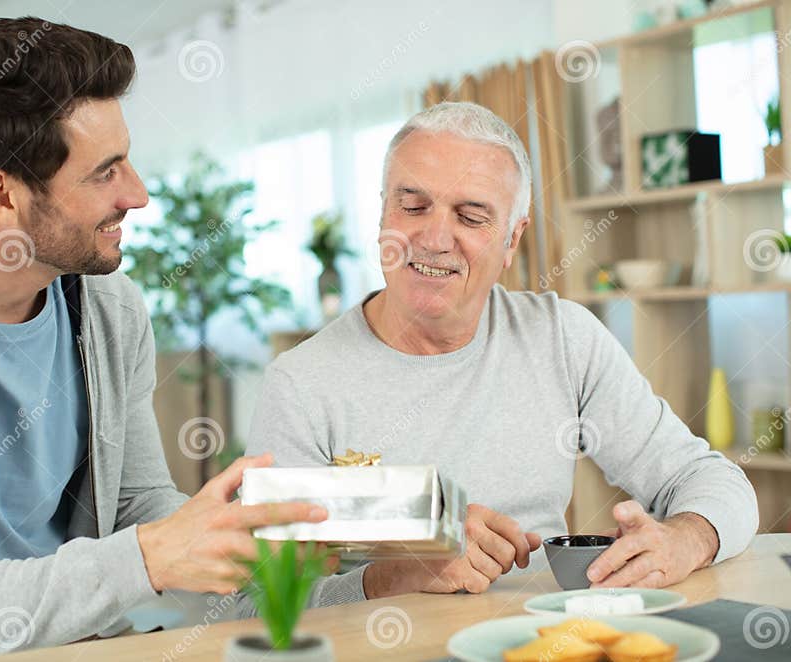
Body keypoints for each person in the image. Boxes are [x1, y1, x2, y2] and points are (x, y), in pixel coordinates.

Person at [0, 17, 326, 661]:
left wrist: (337, 567)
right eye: (105, 172)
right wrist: (148, 558)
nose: (138, 194)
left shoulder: (108, 308)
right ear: (0, 194)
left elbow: (138, 509)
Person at [241, 101, 758, 613]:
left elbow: (710, 480)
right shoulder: (301, 384)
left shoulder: (563, 338)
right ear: (382, 215)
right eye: (413, 206)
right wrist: (391, 576)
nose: (435, 239)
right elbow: (255, 608)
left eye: (471, 216)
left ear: (512, 239)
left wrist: (687, 537)